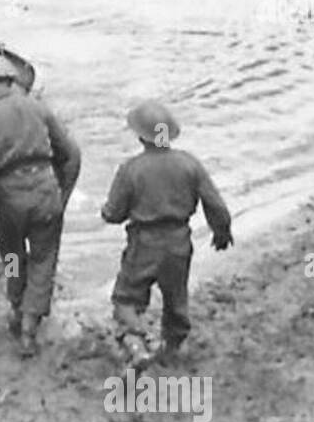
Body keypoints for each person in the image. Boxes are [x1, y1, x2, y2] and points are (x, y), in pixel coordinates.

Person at [100, 100, 233, 367]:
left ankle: (139, 342)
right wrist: (221, 231)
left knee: (126, 298)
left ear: (140, 136)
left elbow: (113, 214)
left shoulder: (131, 169)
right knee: (176, 297)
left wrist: (105, 210)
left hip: (144, 243)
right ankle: (173, 348)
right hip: (178, 242)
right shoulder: (189, 164)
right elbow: (215, 204)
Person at [0, 51, 82, 358]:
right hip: (45, 191)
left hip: (9, 200)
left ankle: (18, 308)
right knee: (44, 258)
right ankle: (30, 328)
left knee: (13, 257)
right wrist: (64, 194)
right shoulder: (39, 109)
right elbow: (71, 153)